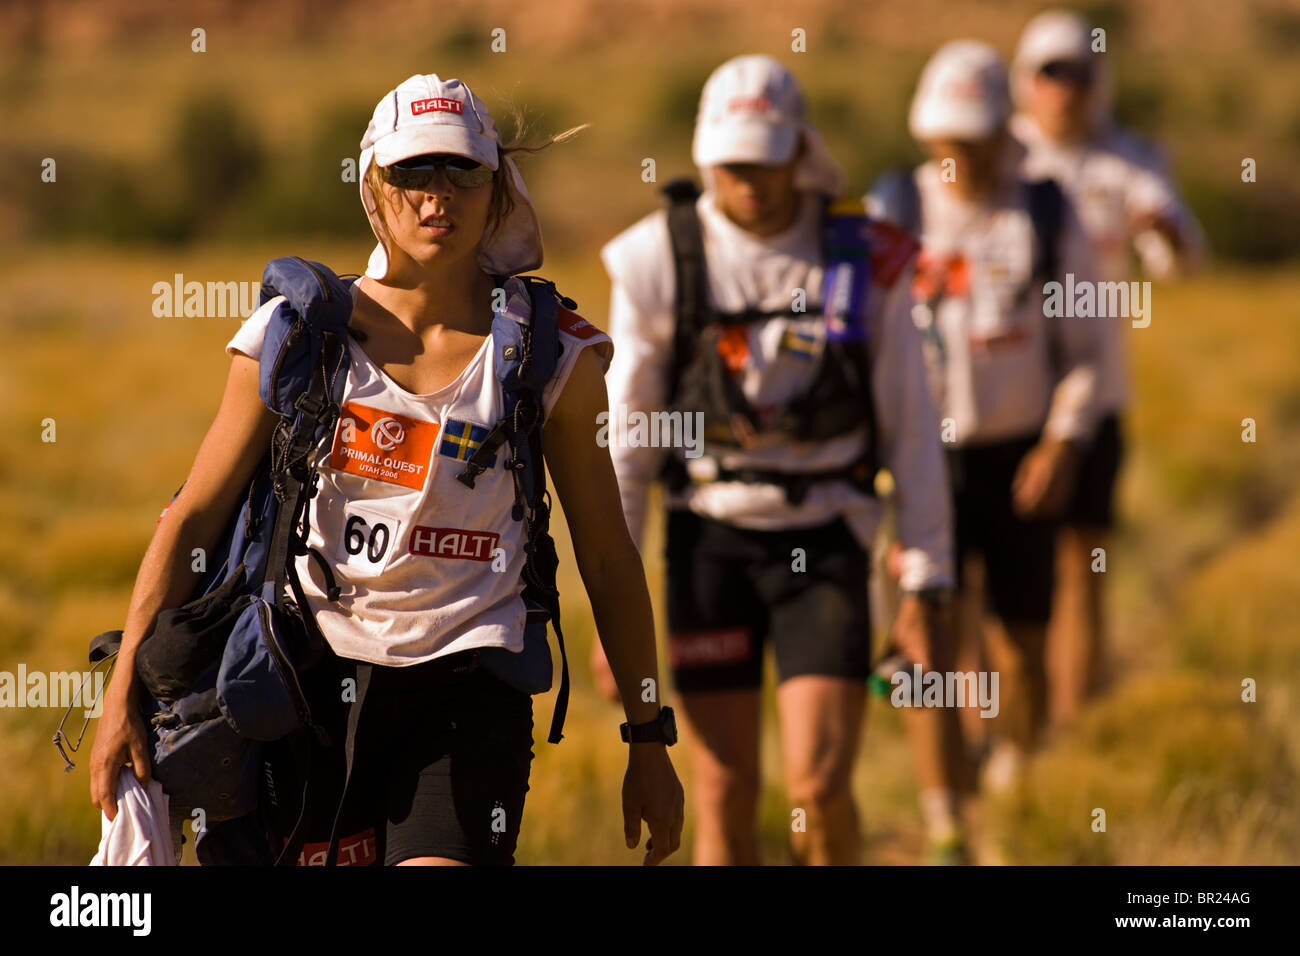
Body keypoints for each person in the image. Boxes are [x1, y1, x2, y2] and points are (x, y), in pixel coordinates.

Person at [89, 72, 683, 866]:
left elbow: (608, 557)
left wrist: (649, 739)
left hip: (468, 694)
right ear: (374, 186)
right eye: (412, 172)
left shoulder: (555, 357)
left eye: (463, 171)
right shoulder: (295, 338)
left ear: (497, 188)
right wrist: (120, 692)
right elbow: (191, 517)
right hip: (299, 688)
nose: (438, 195)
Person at [596, 54, 954, 865]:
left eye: (767, 158)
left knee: (817, 790)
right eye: (733, 162)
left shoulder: (869, 258)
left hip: (828, 543)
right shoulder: (654, 259)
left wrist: (926, 581)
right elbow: (628, 442)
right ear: (705, 158)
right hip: (707, 546)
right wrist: (618, 615)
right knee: (721, 795)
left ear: (801, 152)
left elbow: (913, 428)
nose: (751, 180)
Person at [867, 40, 1104, 804]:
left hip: (1019, 455)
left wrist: (1063, 440)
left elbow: (1088, 345)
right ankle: (946, 797)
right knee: (928, 634)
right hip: (919, 461)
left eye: (975, 140)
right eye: (948, 142)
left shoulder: (1043, 211)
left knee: (1020, 638)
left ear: (1007, 128)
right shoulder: (894, 212)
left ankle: (1017, 778)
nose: (960, 157)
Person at [1010, 10, 1207, 730]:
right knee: (996, 580)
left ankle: (1074, 722)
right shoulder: (1001, 157)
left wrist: (1164, 232)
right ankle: (996, 734)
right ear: (1024, 82)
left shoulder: (1131, 160)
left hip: (1097, 396)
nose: (1066, 90)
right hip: (1006, 400)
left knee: (1083, 566)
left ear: (1101, 82)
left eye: (1080, 74)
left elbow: (1182, 260)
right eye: (1050, 74)